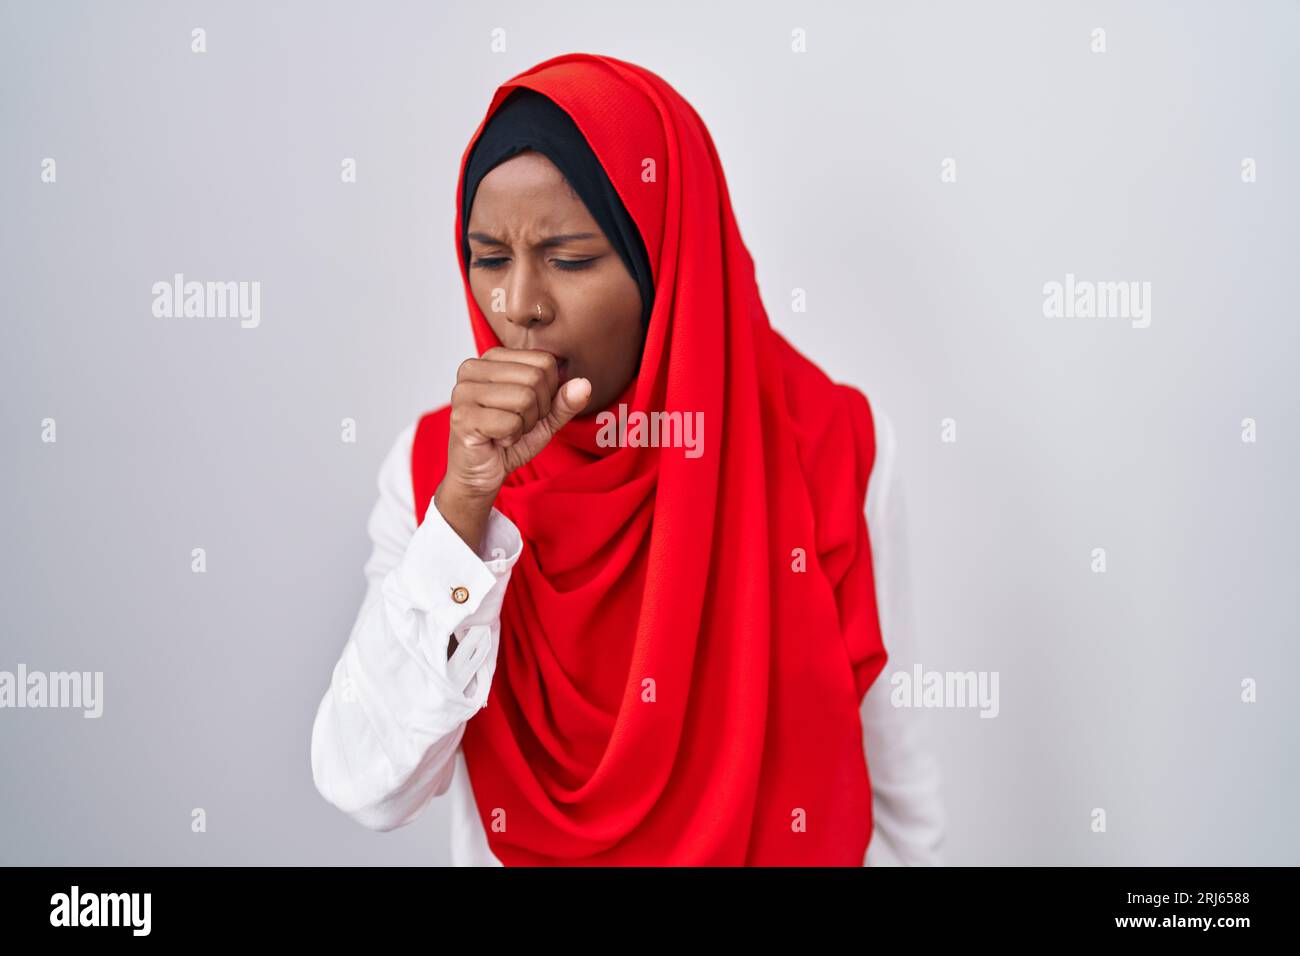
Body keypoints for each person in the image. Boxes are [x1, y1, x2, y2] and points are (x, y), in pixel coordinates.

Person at [311, 52, 945, 865]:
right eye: (489, 257)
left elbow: (901, 782)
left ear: (668, 262)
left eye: (570, 259)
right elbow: (367, 785)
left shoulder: (835, 447)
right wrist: (463, 513)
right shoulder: (438, 470)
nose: (519, 306)